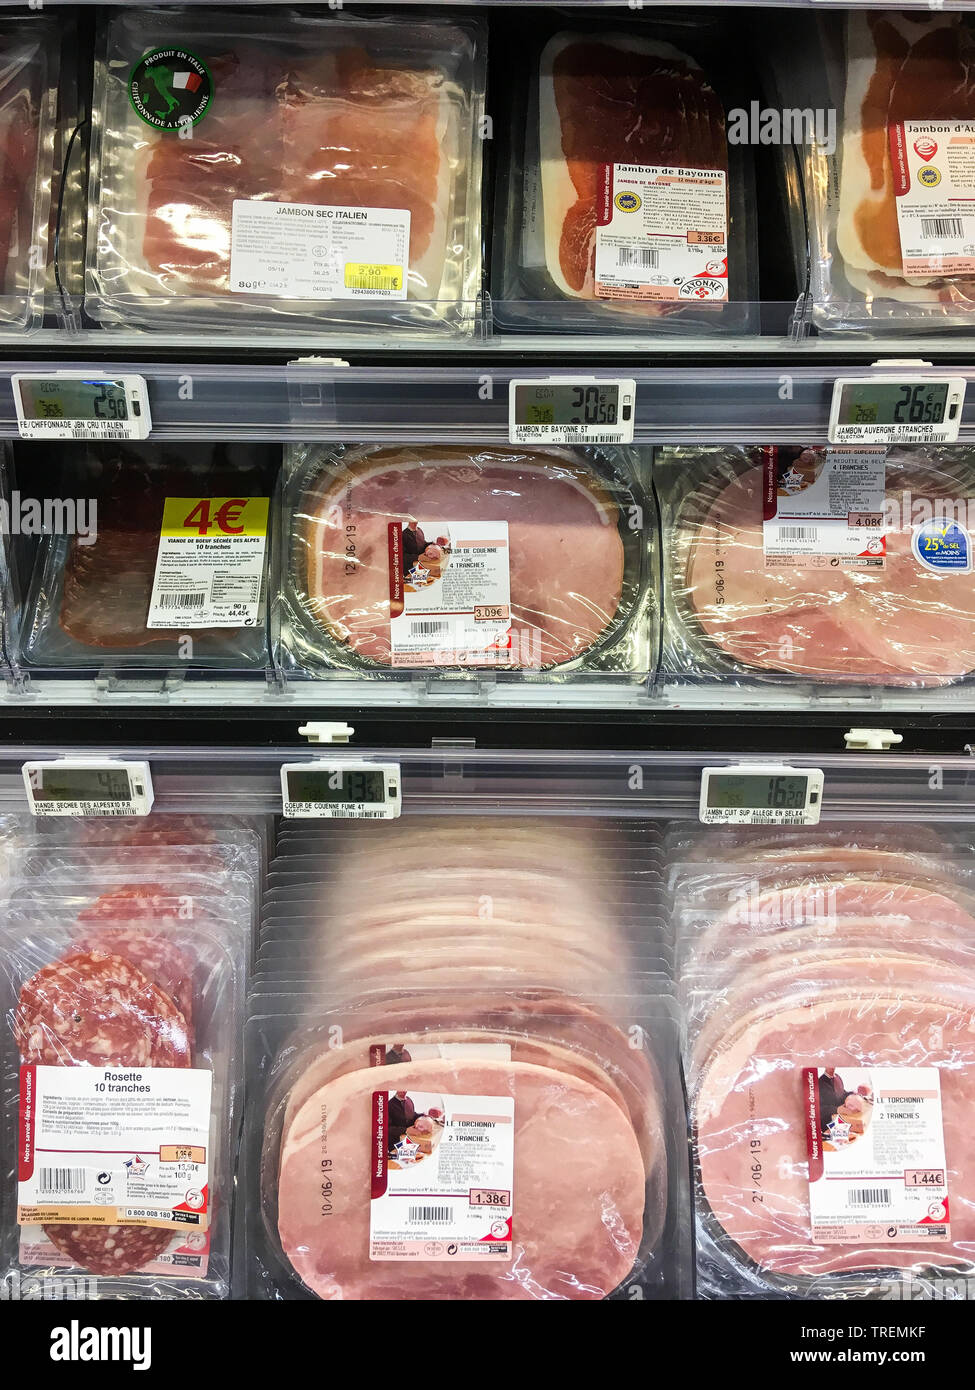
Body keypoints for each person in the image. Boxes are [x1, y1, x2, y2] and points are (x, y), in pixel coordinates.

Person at [818, 1067, 853, 1135]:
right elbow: (819, 1108)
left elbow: (842, 1094)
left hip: (840, 1118)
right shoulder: (820, 1082)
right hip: (827, 1124)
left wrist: (853, 1093)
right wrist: (836, 1109)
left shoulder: (837, 1077)